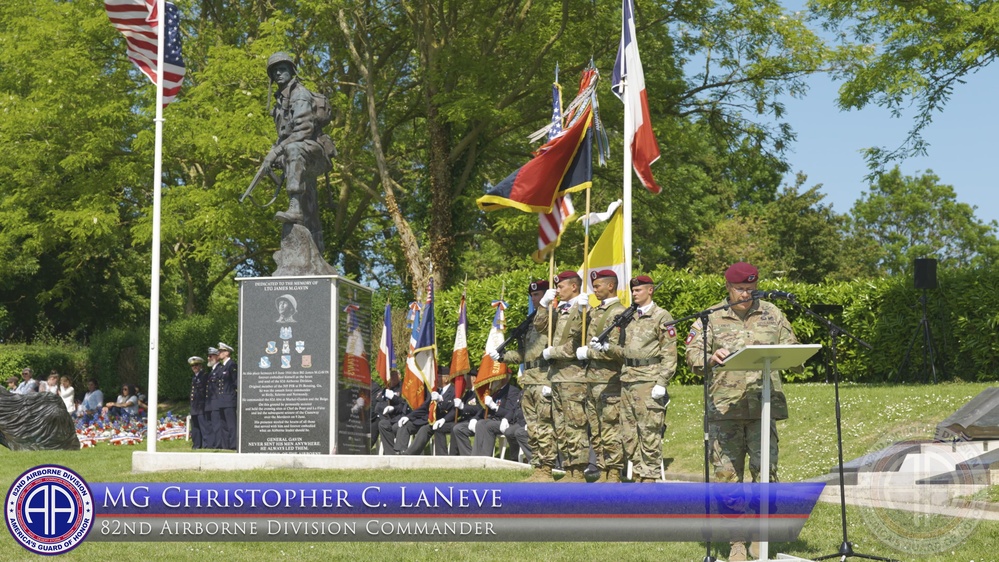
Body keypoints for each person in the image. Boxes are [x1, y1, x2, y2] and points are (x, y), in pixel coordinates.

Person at [683, 262, 798, 562]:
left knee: (766, 475)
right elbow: (691, 355)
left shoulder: (773, 313)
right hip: (725, 407)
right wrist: (710, 357)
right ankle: (736, 542)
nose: (746, 294)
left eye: (751, 288)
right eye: (740, 289)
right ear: (728, 288)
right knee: (727, 478)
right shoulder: (709, 318)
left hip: (764, 406)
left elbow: (793, 349)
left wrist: (792, 356)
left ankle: (761, 538)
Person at [592, 274, 677, 483]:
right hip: (628, 379)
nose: (635, 294)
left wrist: (662, 382)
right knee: (629, 432)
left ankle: (649, 477)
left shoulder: (662, 316)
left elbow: (669, 353)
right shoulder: (630, 317)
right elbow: (625, 352)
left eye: (639, 290)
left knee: (649, 431)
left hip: (649, 380)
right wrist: (607, 348)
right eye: (633, 290)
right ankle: (638, 473)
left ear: (650, 290)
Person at [260, 51, 335, 252]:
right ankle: (314, 248)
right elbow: (284, 134)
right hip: (299, 152)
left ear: (292, 71)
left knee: (292, 149)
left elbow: (304, 129)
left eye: (282, 69)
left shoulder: (299, 94)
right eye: (274, 71)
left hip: (313, 151)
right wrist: (274, 153)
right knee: (309, 204)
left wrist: (277, 151)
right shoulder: (280, 100)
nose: (278, 73)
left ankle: (294, 209)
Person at [489, 280, 557, 481]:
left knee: (545, 426)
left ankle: (547, 468)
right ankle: (537, 467)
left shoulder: (553, 319)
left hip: (545, 377)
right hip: (529, 379)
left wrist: (551, 382)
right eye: (533, 296)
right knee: (533, 427)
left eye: (539, 295)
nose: (535, 298)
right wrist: (502, 356)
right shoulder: (531, 320)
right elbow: (523, 354)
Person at [535, 270, 590, 482]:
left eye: (561, 287)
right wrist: (543, 306)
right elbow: (540, 327)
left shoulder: (582, 308)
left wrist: (553, 352)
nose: (557, 291)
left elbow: (578, 342)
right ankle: (568, 468)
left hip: (573, 375)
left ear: (574, 287)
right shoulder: (559, 309)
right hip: (557, 375)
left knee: (574, 424)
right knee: (560, 425)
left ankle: (578, 471)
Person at [574, 269, 626, 482]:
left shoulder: (620, 312)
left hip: (608, 379)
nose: (594, 290)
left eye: (598, 286)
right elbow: (576, 332)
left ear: (610, 286)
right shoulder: (595, 311)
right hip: (591, 378)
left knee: (610, 427)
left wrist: (591, 352)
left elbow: (618, 349)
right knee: (595, 429)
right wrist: (580, 310)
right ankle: (602, 469)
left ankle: (613, 471)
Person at [471, 374, 523, 457]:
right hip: (495, 419)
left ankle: (485, 457)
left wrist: (495, 407)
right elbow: (485, 408)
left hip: (506, 421)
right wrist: (475, 418)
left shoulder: (512, 390)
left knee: (489, 426)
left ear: (505, 377)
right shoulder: (496, 391)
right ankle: (475, 456)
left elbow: (510, 412)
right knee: (480, 423)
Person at [211, 342, 239, 450]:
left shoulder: (232, 365)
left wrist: (232, 394)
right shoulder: (223, 367)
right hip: (222, 400)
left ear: (227, 352)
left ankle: (233, 445)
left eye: (221, 351)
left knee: (231, 424)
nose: (219, 353)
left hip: (229, 399)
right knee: (224, 425)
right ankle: (226, 445)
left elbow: (235, 382)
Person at [188, 356, 208, 449]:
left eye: (196, 365)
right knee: (195, 426)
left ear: (200, 365)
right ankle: (196, 444)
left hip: (201, 405)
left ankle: (205, 444)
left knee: (203, 426)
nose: (194, 367)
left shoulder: (203, 376)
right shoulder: (194, 378)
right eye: (192, 366)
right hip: (194, 406)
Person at [202, 346, 221, 449]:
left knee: (217, 426)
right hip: (209, 403)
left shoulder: (220, 369)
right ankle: (211, 444)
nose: (209, 358)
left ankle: (218, 444)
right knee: (209, 425)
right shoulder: (211, 372)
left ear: (217, 356)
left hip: (216, 403)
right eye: (208, 356)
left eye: (211, 356)